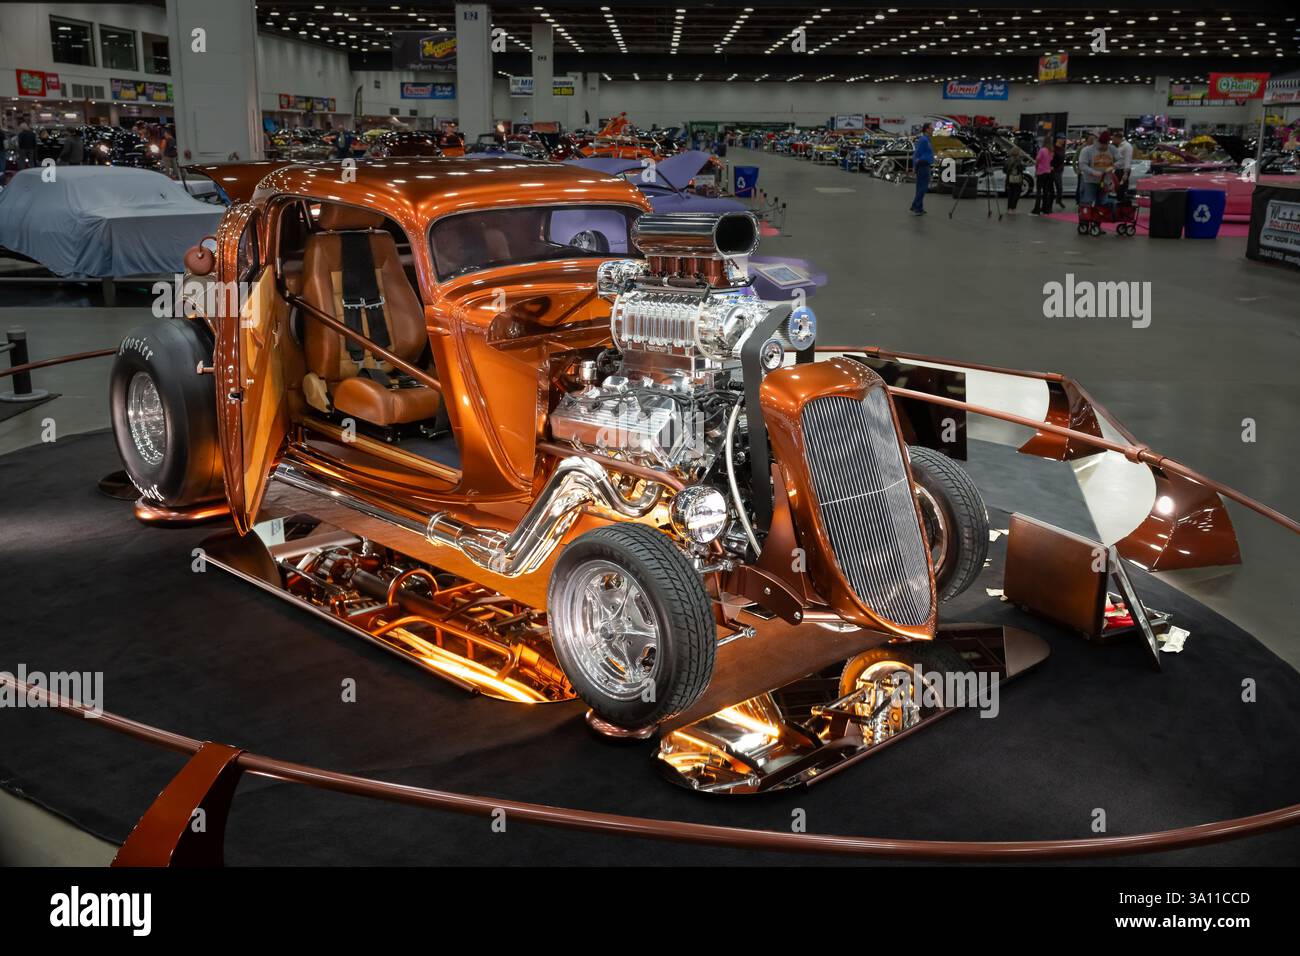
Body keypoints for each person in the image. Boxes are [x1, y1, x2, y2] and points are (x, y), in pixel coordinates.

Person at [1078, 130, 1118, 210]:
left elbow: (1122, 160)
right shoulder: (1087, 150)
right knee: (1088, 201)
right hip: (1090, 181)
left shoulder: (1112, 149)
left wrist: (1114, 166)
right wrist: (1093, 172)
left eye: (1106, 144)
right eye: (1102, 144)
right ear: (1098, 142)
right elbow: (1082, 165)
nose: (1104, 147)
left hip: (1105, 181)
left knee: (1102, 203)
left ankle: (1098, 219)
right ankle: (1085, 219)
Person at [910, 122, 934, 215]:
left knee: (921, 188)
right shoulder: (923, 140)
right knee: (922, 188)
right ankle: (916, 208)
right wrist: (914, 168)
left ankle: (917, 206)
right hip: (923, 166)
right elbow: (916, 154)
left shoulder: (927, 140)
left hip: (925, 165)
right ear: (927, 129)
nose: (933, 130)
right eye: (931, 128)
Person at [1031, 137, 1055, 215]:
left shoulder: (1042, 150)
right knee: (1045, 191)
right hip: (1048, 172)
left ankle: (1036, 209)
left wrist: (1036, 168)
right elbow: (1050, 161)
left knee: (1038, 192)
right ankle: (1045, 209)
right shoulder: (1051, 151)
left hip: (1041, 172)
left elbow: (1037, 160)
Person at [1112, 129, 1134, 202]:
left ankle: (1122, 205)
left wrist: (1125, 173)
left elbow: (1127, 160)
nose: (1113, 141)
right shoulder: (1120, 146)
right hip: (1118, 170)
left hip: (1123, 171)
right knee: (1118, 189)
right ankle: (1119, 203)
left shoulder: (1127, 146)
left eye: (1114, 139)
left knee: (1122, 189)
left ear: (1118, 138)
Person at [1004, 147, 1027, 212]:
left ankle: (1009, 209)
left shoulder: (1008, 160)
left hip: (1009, 178)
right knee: (1016, 194)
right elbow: (1023, 168)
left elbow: (1004, 169)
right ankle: (1013, 208)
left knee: (1010, 194)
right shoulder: (1019, 160)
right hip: (1018, 179)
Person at [1051, 138, 1067, 210]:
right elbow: (1051, 158)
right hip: (1053, 170)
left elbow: (1062, 159)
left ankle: (1058, 200)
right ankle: (1050, 203)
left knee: (1059, 187)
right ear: (1058, 140)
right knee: (1053, 187)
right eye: (1062, 139)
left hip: (1059, 170)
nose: (1063, 141)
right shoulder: (1054, 148)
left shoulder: (1062, 149)